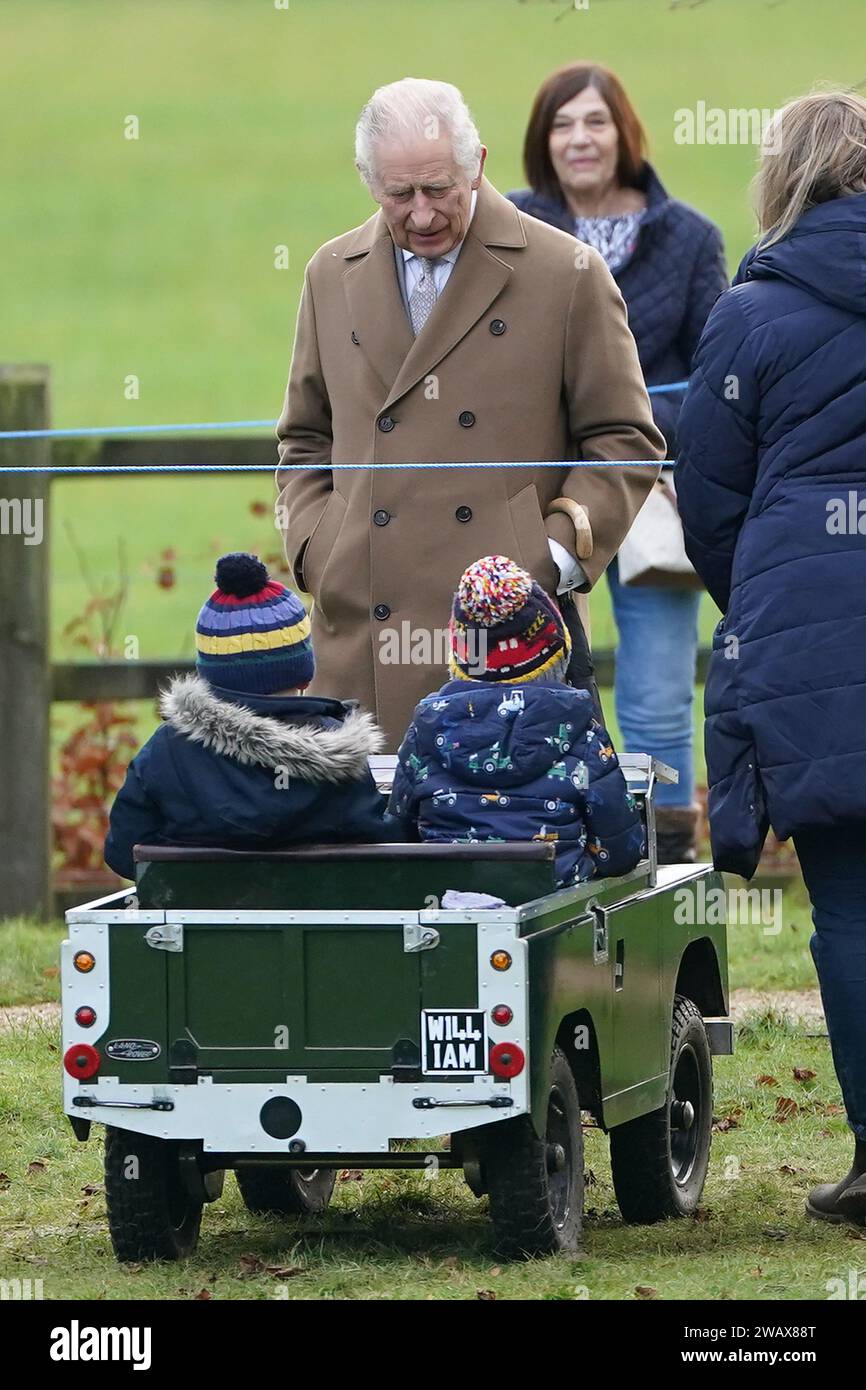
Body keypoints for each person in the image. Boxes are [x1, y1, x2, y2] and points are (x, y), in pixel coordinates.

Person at [274, 76, 665, 752]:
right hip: (360, 640)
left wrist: (546, 558)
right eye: (400, 195)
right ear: (368, 180)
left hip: (508, 636)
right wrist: (319, 546)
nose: (422, 215)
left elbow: (625, 439)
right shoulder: (328, 273)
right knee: (367, 852)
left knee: (496, 850)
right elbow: (305, 439)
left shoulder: (566, 272)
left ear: (478, 165)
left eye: (439, 190)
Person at [675, 91, 866, 1226]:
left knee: (845, 905)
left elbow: (707, 501)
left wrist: (761, 608)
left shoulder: (751, 313)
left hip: (805, 630)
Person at [508, 63, 728, 862]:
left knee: (660, 699)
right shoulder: (506, 229)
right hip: (535, 499)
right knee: (531, 691)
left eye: (595, 121)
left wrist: (621, 430)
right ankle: (552, 853)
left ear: (624, 132)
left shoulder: (692, 238)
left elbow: (718, 378)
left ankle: (666, 868)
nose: (580, 138)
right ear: (543, 142)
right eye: (563, 124)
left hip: (653, 500)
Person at [103, 553, 393, 881]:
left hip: (199, 925)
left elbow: (122, 851)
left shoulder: (167, 750)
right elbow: (378, 848)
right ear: (303, 672)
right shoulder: (341, 754)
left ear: (210, 672)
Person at [388, 555, 644, 888]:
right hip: (557, 909)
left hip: (444, 905)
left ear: (461, 657)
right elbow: (620, 851)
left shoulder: (424, 733)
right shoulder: (584, 734)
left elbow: (398, 836)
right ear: (556, 652)